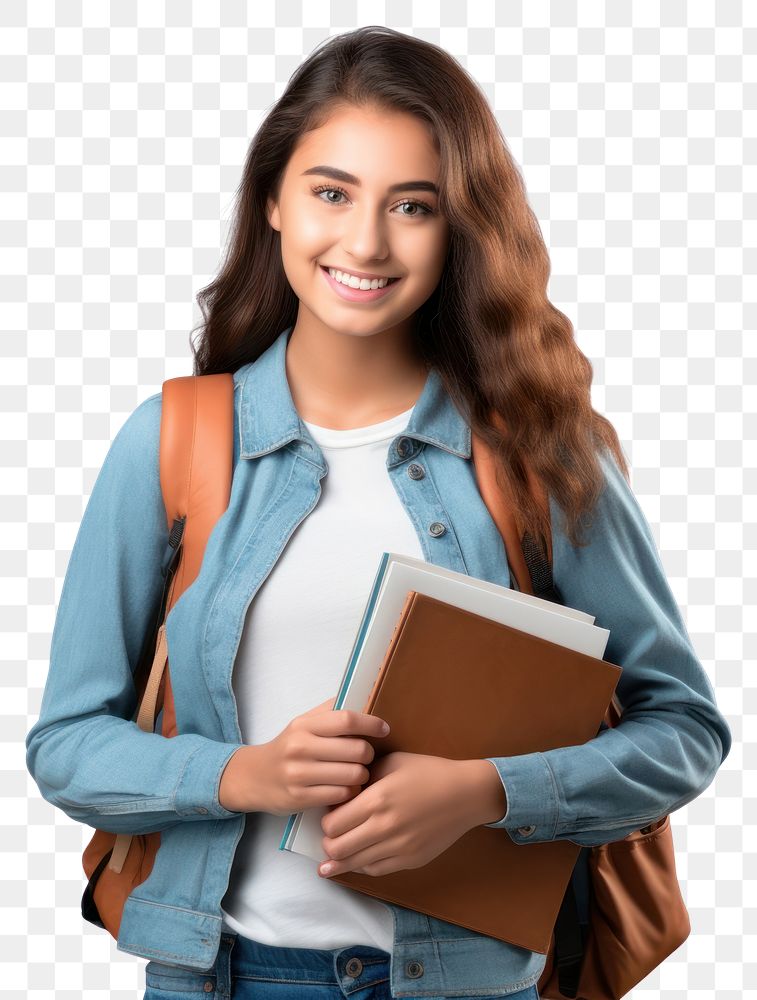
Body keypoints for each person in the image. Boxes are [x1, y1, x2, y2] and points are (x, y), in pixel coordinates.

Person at [25, 24, 732, 1000]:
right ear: (272, 200)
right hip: (218, 976)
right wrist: (247, 775)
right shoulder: (173, 439)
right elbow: (65, 745)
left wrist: (484, 793)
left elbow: (682, 729)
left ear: (460, 228)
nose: (364, 241)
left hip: (464, 983)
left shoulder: (540, 448)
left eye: (412, 205)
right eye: (330, 192)